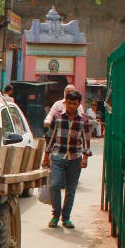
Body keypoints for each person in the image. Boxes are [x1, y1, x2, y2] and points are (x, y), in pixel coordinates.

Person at [42, 89, 91, 229]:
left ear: (78, 104)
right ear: (65, 103)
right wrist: (46, 157)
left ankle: (66, 217)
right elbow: (50, 138)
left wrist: (85, 158)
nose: (71, 106)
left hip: (75, 157)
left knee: (71, 189)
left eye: (74, 104)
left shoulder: (83, 120)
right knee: (55, 185)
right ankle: (56, 214)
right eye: (69, 103)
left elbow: (86, 141)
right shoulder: (57, 118)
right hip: (58, 156)